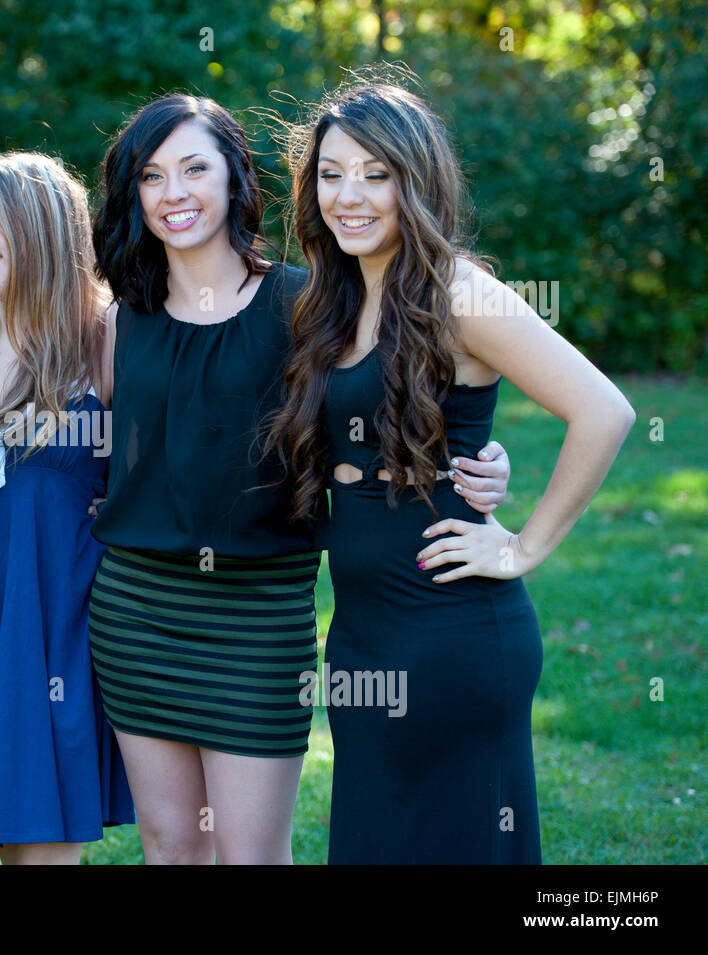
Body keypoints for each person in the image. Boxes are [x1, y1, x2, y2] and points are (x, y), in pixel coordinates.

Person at [88, 93, 514, 864]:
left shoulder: (306, 304)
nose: (174, 193)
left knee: (251, 852)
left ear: (235, 179)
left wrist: (479, 460)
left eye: (194, 169)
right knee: (171, 843)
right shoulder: (120, 321)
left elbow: (394, 399)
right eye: (152, 176)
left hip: (260, 611)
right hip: (137, 609)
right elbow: (83, 448)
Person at [262, 78, 635, 863]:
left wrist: (523, 545)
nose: (349, 195)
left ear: (416, 178)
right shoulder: (332, 301)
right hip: (364, 636)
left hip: (453, 633)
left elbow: (604, 410)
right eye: (331, 173)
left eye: (375, 173)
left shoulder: (457, 291)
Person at [0, 152, 134, 864]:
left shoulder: (104, 337)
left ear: (38, 225)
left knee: (45, 832)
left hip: (61, 606)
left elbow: (156, 466)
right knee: (12, 831)